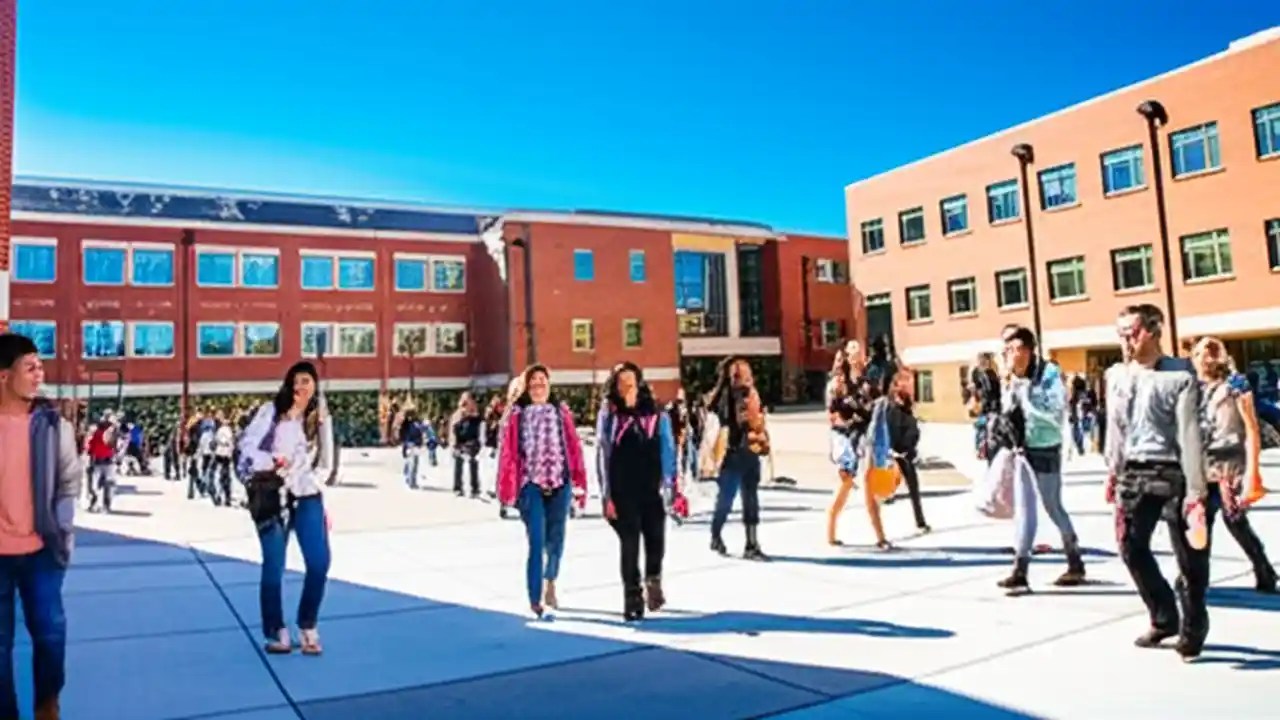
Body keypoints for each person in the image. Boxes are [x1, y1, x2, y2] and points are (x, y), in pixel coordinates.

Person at [1104, 304, 1210, 660]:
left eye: (1131, 332)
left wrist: (1195, 492)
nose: (1125, 340)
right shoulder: (1116, 375)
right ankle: (1164, 616)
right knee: (1131, 547)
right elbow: (1115, 429)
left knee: (1190, 558)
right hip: (1133, 473)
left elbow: (1190, 434)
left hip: (1174, 473)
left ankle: (1193, 631)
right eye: (1120, 333)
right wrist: (1113, 471)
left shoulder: (1181, 374)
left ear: (1153, 330)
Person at [0, 333, 82, 720]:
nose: (39, 374)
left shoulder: (52, 426)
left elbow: (69, 481)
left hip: (41, 552)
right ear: (3, 376)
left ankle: (47, 704)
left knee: (51, 635)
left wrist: (63, 533)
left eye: (40, 366)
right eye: (30, 367)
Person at [237, 361, 335, 655]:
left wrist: (311, 481)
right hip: (271, 493)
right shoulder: (272, 413)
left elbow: (329, 463)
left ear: (315, 386)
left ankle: (308, 624)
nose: (302, 387)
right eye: (297, 381)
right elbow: (247, 447)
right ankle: (275, 630)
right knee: (274, 565)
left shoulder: (320, 419)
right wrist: (274, 463)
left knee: (319, 563)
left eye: (308, 381)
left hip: (307, 496)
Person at [995, 325, 1085, 594]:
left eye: (1011, 349)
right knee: (1024, 508)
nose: (1007, 354)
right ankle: (1020, 569)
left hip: (1046, 446)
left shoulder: (1048, 373)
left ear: (1025, 350)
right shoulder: (1011, 377)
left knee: (1052, 505)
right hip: (1021, 448)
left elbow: (1053, 409)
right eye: (1005, 349)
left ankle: (1075, 559)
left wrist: (1023, 388)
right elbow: (1007, 409)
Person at [497, 365, 588, 617]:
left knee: (556, 540)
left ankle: (551, 581)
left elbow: (574, 448)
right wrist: (507, 488)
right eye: (533, 381)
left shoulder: (561, 412)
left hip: (560, 483)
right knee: (536, 541)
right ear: (526, 387)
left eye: (542, 380)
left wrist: (579, 480)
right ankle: (535, 598)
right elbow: (507, 453)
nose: (538, 385)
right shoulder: (517, 414)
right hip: (531, 485)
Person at [1190, 337, 1276, 592]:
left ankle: (1264, 570)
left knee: (1235, 520)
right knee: (1200, 523)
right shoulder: (1193, 388)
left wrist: (1252, 471)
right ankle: (1197, 577)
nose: (1205, 357)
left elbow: (1251, 429)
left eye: (1211, 351)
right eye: (1200, 352)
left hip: (1230, 464)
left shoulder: (1236, 384)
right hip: (1203, 463)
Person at [595, 362, 678, 620]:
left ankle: (653, 580)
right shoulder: (609, 415)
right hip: (622, 490)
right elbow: (602, 454)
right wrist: (606, 495)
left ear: (639, 383)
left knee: (656, 540)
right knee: (629, 544)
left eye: (631, 381)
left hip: (650, 487)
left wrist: (671, 483)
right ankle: (632, 597)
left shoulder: (655, 413)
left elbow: (667, 447)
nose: (626, 387)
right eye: (621, 383)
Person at [702, 356, 771, 560]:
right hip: (731, 455)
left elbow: (759, 422)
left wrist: (761, 436)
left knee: (751, 499)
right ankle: (716, 535)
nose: (746, 376)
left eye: (747, 372)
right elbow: (726, 424)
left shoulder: (753, 395)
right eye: (740, 373)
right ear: (732, 377)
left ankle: (752, 543)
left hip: (750, 453)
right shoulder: (727, 397)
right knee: (726, 500)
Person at [825, 349, 881, 547]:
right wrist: (847, 426)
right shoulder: (838, 384)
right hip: (846, 440)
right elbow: (832, 415)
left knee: (867, 486)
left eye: (860, 353)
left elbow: (877, 405)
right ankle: (830, 532)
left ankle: (880, 536)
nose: (857, 356)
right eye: (852, 353)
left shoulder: (865, 382)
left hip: (863, 440)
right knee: (846, 484)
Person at [886, 367, 929, 533]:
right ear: (897, 384)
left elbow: (911, 426)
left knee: (913, 485)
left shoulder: (907, 403)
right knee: (881, 490)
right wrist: (891, 451)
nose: (910, 385)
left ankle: (920, 521)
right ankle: (879, 529)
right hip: (894, 452)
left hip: (907, 451)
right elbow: (890, 428)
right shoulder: (890, 405)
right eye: (906, 382)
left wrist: (912, 446)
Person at [968, 352, 1002, 462]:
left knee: (989, 430)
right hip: (987, 408)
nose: (986, 361)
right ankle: (982, 449)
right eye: (984, 359)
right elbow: (974, 389)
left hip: (994, 408)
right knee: (984, 428)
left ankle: (985, 450)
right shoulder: (978, 373)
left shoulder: (991, 373)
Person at [450, 393, 483, 497]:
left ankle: (475, 488)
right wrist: (453, 444)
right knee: (458, 463)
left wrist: (472, 413)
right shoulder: (458, 414)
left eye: (468, 400)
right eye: (464, 400)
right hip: (460, 442)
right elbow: (453, 429)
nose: (466, 402)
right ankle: (458, 488)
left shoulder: (476, 413)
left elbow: (480, 423)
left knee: (473, 463)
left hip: (473, 442)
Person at [85, 418, 116, 513]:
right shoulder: (110, 434)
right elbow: (115, 448)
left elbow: (90, 449)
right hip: (109, 462)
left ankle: (94, 504)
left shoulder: (95, 435)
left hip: (97, 462)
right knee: (108, 485)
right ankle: (106, 506)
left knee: (95, 486)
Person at [400, 406, 426, 489]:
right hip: (410, 444)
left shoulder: (417, 422)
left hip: (415, 444)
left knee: (412, 463)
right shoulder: (406, 423)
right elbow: (402, 434)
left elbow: (421, 432)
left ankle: (409, 478)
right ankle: (411, 481)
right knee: (413, 463)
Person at [212, 417, 236, 506]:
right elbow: (231, 443)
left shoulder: (219, 430)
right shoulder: (229, 431)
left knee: (220, 475)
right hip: (226, 455)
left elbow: (216, 440)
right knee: (226, 476)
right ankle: (227, 497)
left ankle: (219, 496)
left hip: (219, 454)